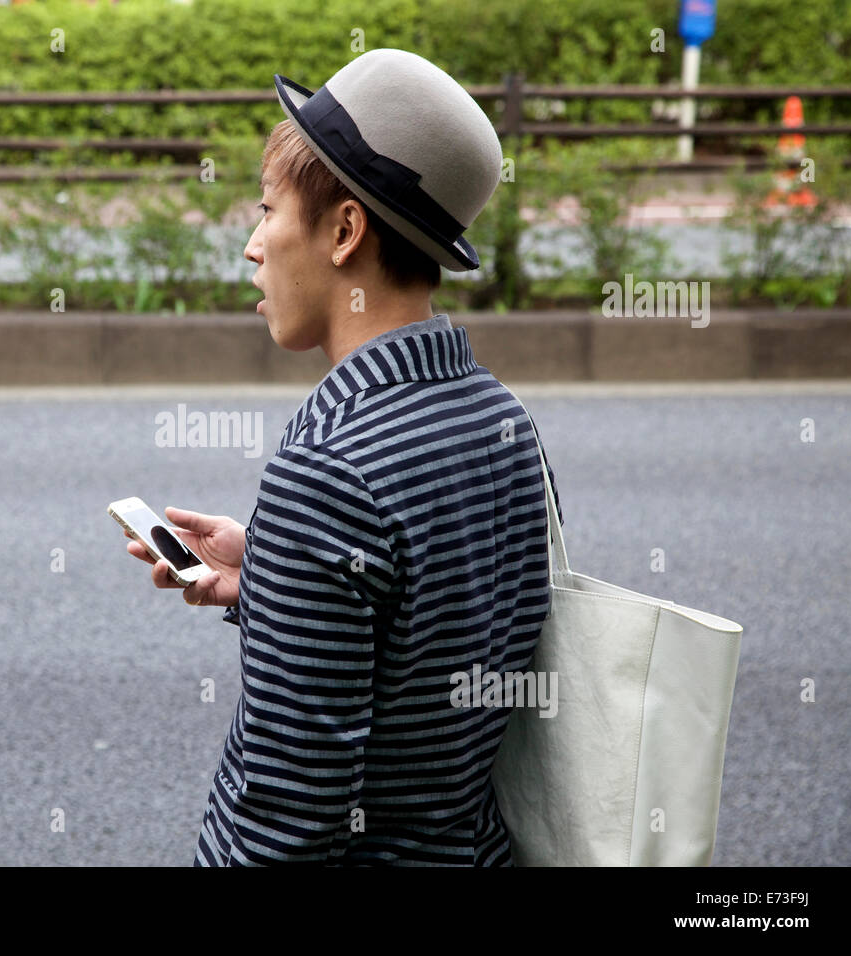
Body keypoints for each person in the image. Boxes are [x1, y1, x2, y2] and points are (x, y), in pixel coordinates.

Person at [120, 49, 565, 865]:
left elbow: (291, 813)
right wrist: (270, 578)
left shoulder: (329, 468)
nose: (253, 246)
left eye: (266, 212)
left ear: (344, 230)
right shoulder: (504, 420)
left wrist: (303, 548)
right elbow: (429, 654)